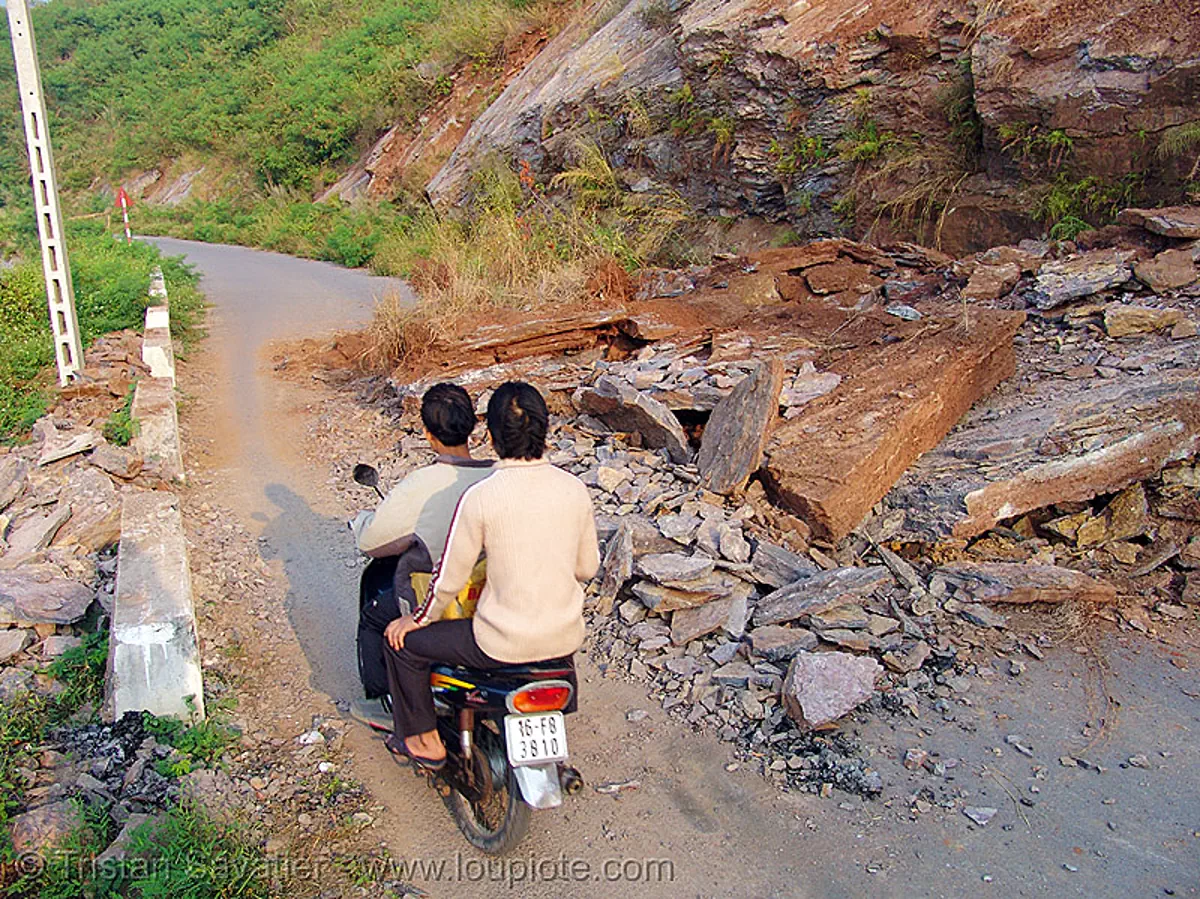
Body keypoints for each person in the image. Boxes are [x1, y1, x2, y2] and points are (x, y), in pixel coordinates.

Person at [381, 381, 600, 767]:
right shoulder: (574, 489)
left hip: (498, 642)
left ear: (491, 435)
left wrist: (415, 620)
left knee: (403, 646)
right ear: (545, 427)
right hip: (564, 640)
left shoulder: (482, 496)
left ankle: (425, 741)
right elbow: (587, 567)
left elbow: (448, 579)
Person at [349, 383, 493, 730]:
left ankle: (386, 707)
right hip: (492, 593)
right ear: (473, 426)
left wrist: (361, 522)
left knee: (375, 618)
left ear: (428, 434)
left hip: (441, 597)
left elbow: (372, 540)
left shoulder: (425, 483)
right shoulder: (496, 476)